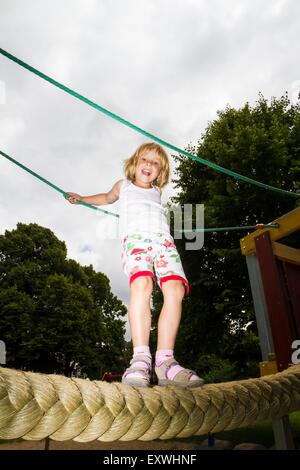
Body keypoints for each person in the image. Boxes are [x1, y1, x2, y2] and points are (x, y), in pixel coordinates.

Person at [65, 142, 204, 388]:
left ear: (161, 173)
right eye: (145, 160)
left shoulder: (157, 192)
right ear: (134, 163)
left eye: (156, 163)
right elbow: (107, 198)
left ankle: (164, 362)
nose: (149, 165)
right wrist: (82, 198)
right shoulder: (124, 186)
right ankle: (140, 357)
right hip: (137, 242)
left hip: (164, 243)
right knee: (142, 283)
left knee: (175, 290)